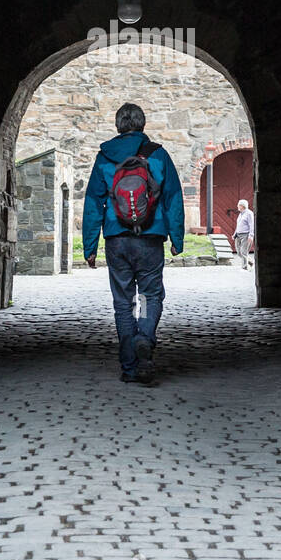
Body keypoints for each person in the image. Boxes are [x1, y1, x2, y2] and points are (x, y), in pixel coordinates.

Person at [82, 103, 185, 386]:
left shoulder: (104, 158)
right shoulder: (158, 155)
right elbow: (173, 197)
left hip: (117, 239)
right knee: (151, 296)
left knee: (122, 303)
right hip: (150, 238)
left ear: (118, 126)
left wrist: (89, 246)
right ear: (143, 125)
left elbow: (94, 201)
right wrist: (177, 238)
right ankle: (144, 338)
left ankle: (129, 368)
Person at [234, 198, 255, 270]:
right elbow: (238, 225)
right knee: (239, 252)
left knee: (243, 252)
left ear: (242, 206)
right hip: (238, 235)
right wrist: (235, 234)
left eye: (238, 205)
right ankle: (250, 261)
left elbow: (252, 225)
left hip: (245, 235)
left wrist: (251, 235)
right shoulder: (240, 214)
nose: (237, 206)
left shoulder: (249, 213)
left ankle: (244, 268)